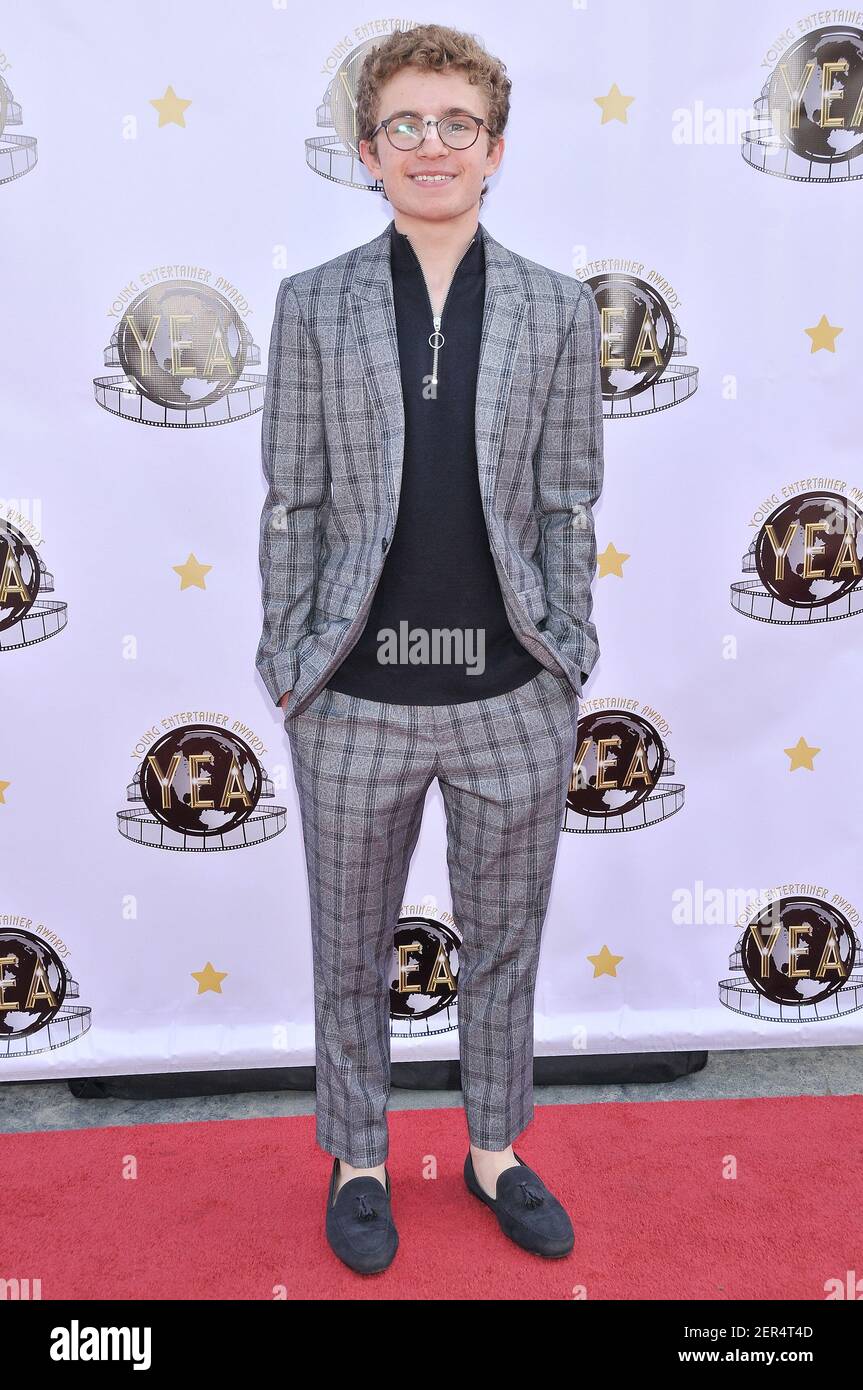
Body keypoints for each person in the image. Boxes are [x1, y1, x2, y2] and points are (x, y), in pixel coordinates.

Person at [256, 22, 604, 1274]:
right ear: (367, 150)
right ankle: (357, 1159)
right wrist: (290, 665)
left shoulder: (560, 313)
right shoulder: (310, 307)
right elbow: (291, 503)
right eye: (403, 124)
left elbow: (569, 498)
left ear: (494, 149)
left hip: (513, 690)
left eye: (455, 124)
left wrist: (564, 649)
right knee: (346, 945)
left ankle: (495, 1147)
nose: (430, 145)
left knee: (503, 938)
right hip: (349, 694)